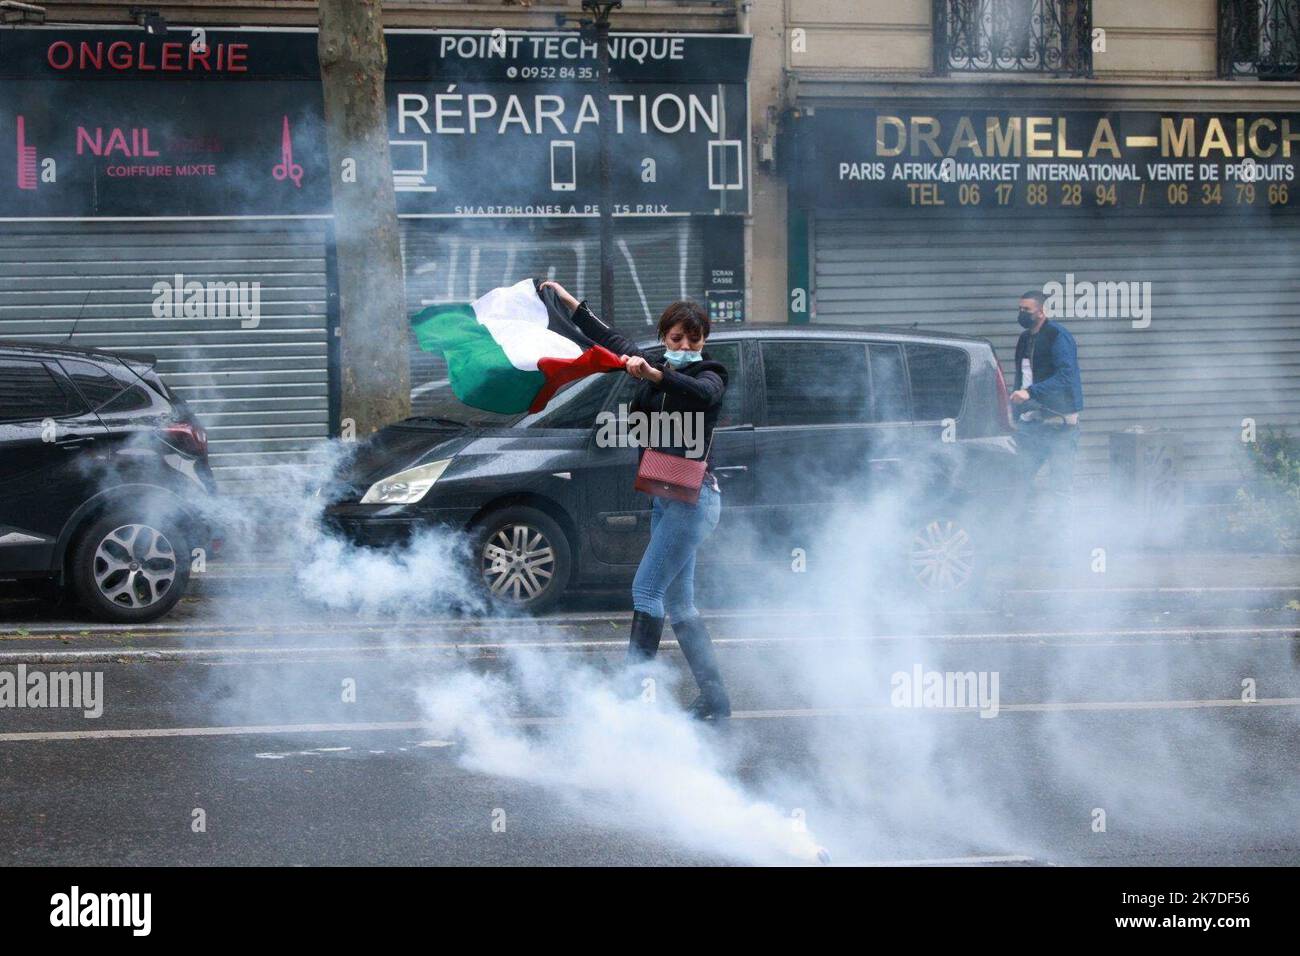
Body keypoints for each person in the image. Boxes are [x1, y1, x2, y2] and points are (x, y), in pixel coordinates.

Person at [539, 280, 731, 720]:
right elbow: (610, 339)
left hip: (695, 501)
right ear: (665, 337)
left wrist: (657, 375)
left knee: (645, 591)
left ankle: (631, 701)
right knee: (680, 604)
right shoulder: (655, 361)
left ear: (704, 342)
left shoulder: (710, 373)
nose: (684, 345)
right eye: (676, 338)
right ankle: (715, 699)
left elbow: (703, 395)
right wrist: (569, 302)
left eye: (693, 339)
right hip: (666, 496)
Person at [1009, 289, 1084, 547]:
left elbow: (1066, 377)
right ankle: (1019, 543)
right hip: (1032, 425)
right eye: (1019, 309)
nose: (1021, 314)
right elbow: (1022, 378)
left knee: (1060, 489)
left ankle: (1063, 550)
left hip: (1059, 425)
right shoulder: (1024, 339)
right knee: (1018, 481)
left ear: (1041, 311)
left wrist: (1030, 392)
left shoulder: (1057, 337)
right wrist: (1016, 410)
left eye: (1026, 310)